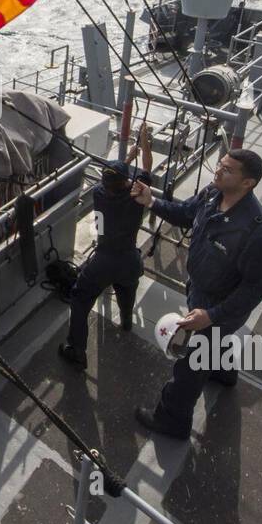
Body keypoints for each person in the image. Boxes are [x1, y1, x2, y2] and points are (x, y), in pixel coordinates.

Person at [129, 149, 262, 439]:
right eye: (220, 164)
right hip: (200, 293)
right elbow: (186, 214)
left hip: (220, 309)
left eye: (228, 170)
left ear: (248, 183)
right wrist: (153, 202)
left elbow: (254, 289)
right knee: (214, 349)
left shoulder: (259, 234)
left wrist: (212, 315)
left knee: (188, 370)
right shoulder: (212, 195)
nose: (218, 171)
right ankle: (223, 374)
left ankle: (172, 421)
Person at [57, 124, 154, 369]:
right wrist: (143, 141)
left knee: (80, 299)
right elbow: (147, 166)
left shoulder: (100, 193)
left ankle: (76, 349)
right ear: (126, 181)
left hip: (103, 259)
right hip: (129, 258)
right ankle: (126, 321)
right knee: (127, 289)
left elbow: (118, 175)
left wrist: (128, 156)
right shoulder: (136, 194)